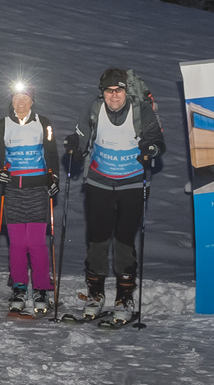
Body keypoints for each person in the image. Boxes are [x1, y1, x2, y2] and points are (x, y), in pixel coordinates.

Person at [65, 68, 164, 323]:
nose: (114, 95)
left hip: (131, 183)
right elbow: (81, 135)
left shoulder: (140, 110)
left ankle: (124, 297)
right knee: (97, 239)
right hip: (99, 182)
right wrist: (74, 145)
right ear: (103, 93)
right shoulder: (94, 108)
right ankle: (95, 294)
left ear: (126, 91)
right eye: (109, 91)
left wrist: (150, 148)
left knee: (124, 239)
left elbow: (156, 138)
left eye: (118, 90)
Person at [0, 82, 60, 316]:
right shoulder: (3, 124)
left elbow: (51, 152)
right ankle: (20, 288)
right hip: (13, 191)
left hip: (37, 190)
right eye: (16, 98)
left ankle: (42, 288)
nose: (20, 102)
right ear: (11, 101)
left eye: (25, 98)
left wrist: (54, 178)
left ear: (32, 101)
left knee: (36, 243)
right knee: (17, 244)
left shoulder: (43, 123)